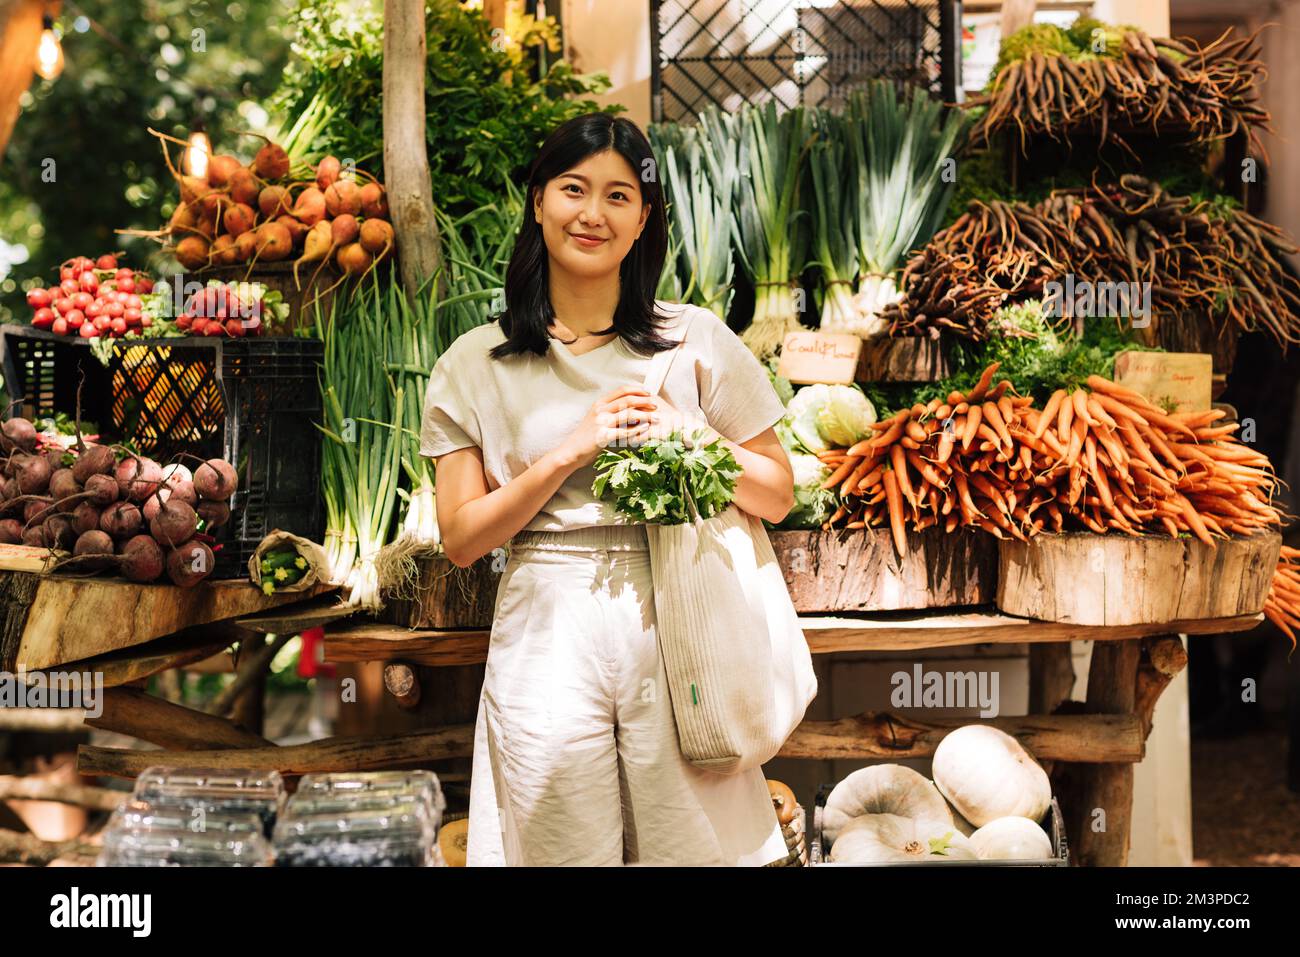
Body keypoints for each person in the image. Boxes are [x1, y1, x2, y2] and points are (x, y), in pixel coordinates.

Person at [420, 112, 795, 866]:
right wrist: (569, 450)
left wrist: (690, 435)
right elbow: (462, 537)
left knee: (696, 846)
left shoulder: (696, 340)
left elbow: (777, 493)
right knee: (557, 847)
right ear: (537, 202)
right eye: (573, 188)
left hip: (682, 608)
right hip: (546, 625)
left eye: (618, 196)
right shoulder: (474, 362)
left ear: (643, 219)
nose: (592, 213)